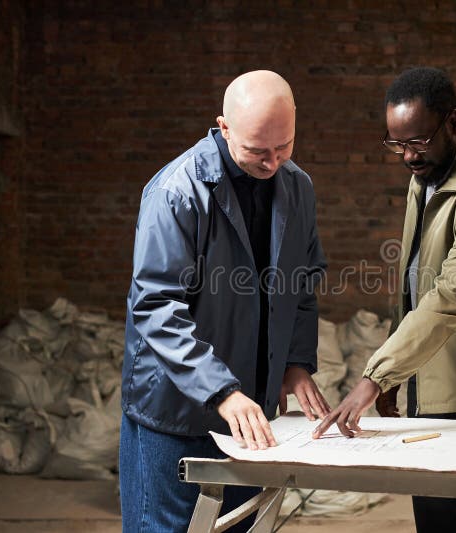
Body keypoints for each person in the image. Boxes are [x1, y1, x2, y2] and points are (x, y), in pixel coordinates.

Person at [313, 67, 456, 533]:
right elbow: (415, 286)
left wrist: (376, 374)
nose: (407, 156)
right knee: (436, 520)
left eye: (416, 141)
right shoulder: (427, 174)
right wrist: (400, 374)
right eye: (396, 144)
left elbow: (452, 294)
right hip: (429, 378)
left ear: (453, 123)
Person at [120, 70, 330, 532]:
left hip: (251, 410)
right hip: (176, 410)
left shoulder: (298, 187)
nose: (272, 162)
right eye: (257, 151)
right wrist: (221, 391)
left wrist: (295, 363)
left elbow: (302, 281)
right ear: (224, 126)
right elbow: (156, 305)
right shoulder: (177, 192)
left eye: (284, 146)